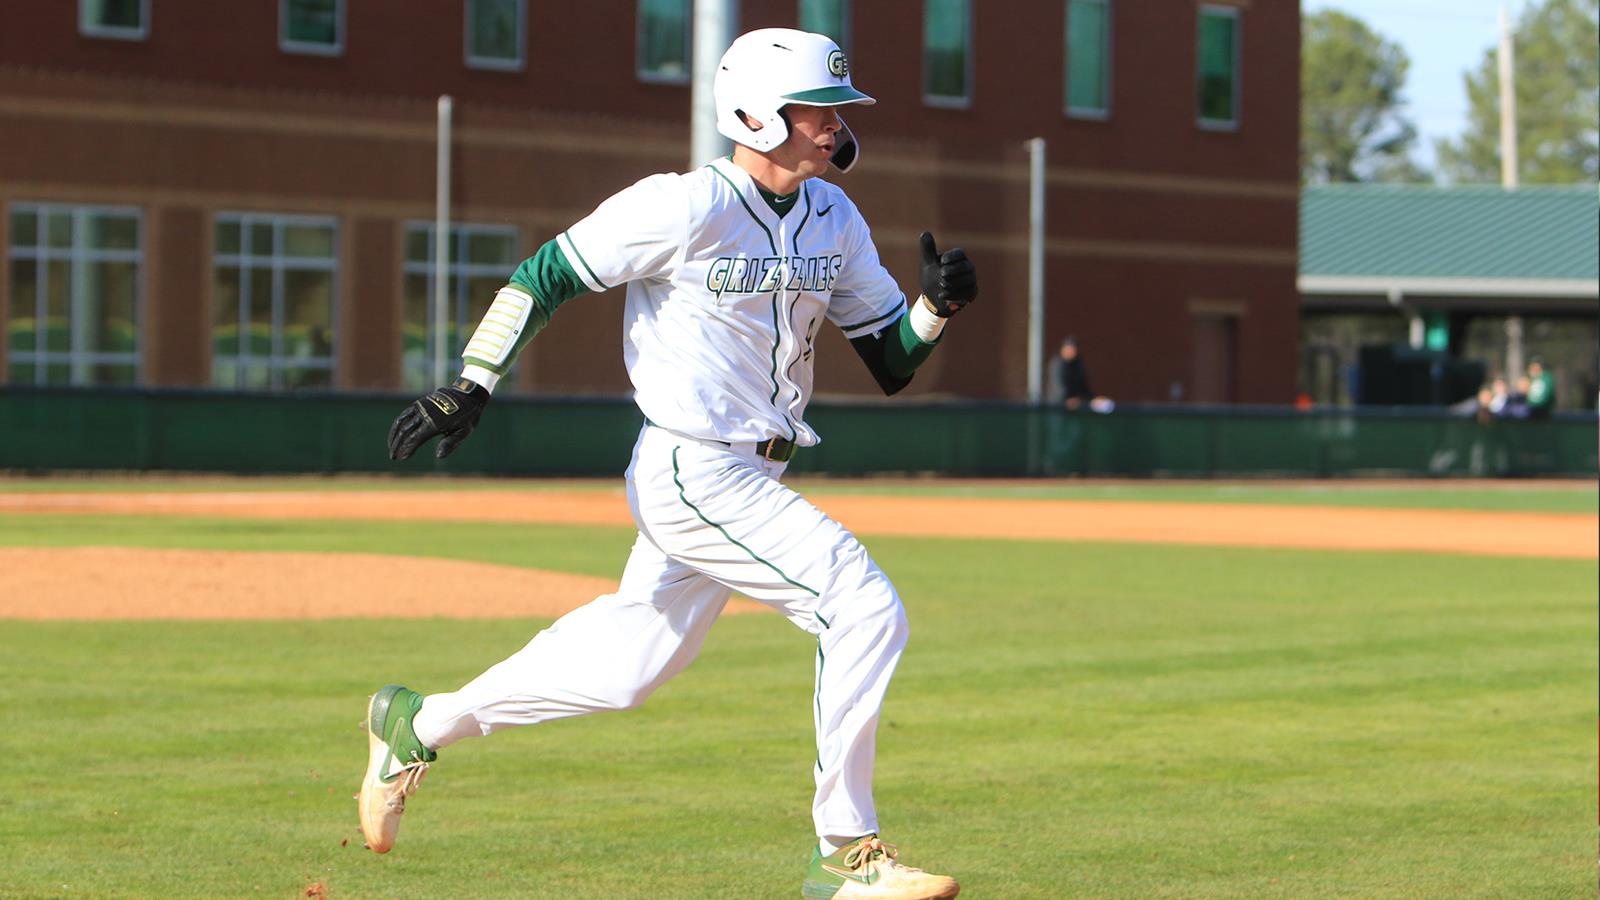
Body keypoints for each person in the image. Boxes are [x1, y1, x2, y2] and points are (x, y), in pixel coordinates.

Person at [362, 29, 973, 900]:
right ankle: (846, 852)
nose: (833, 127)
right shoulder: (685, 205)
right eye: (817, 111)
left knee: (627, 671)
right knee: (862, 602)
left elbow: (889, 359)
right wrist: (472, 382)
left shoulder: (834, 217)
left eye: (837, 112)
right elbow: (544, 275)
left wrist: (936, 310)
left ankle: (418, 724)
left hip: (755, 475)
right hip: (692, 466)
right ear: (758, 114)